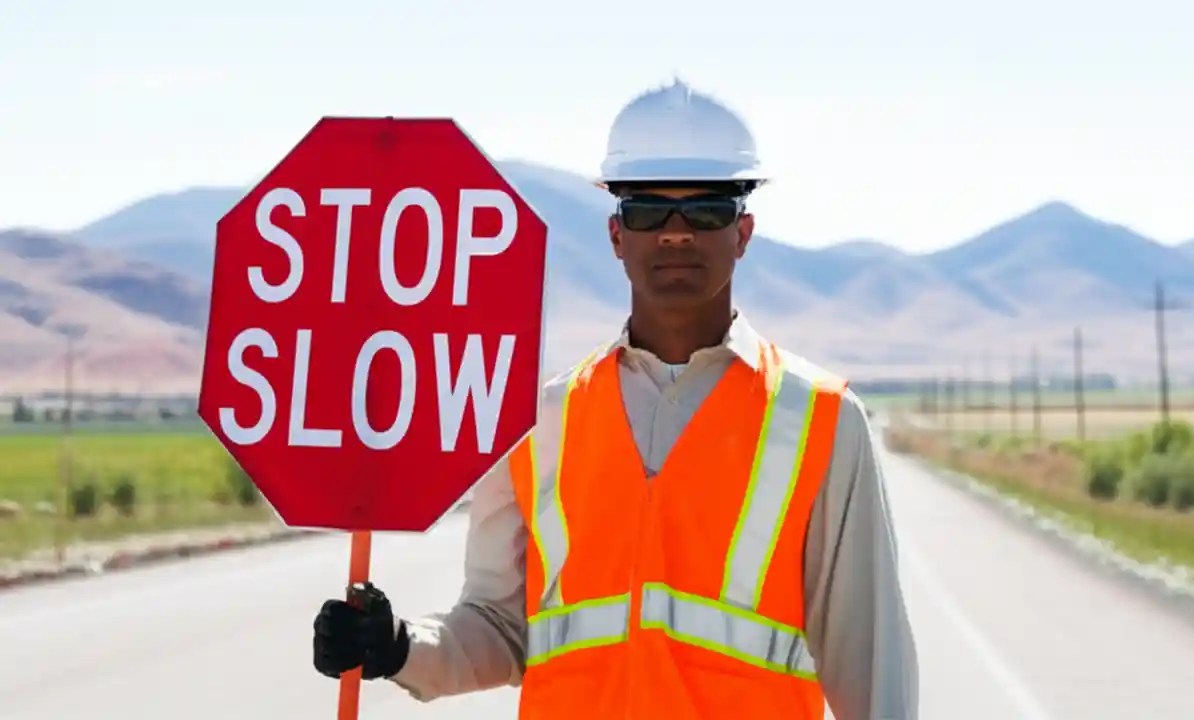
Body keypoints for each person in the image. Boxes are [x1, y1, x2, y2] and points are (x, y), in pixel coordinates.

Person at [312, 79, 919, 719]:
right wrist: (401, 645)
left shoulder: (820, 420)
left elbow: (871, 668)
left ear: (743, 231)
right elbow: (500, 627)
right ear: (615, 234)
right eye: (647, 209)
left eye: (707, 210)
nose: (676, 233)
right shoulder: (536, 420)